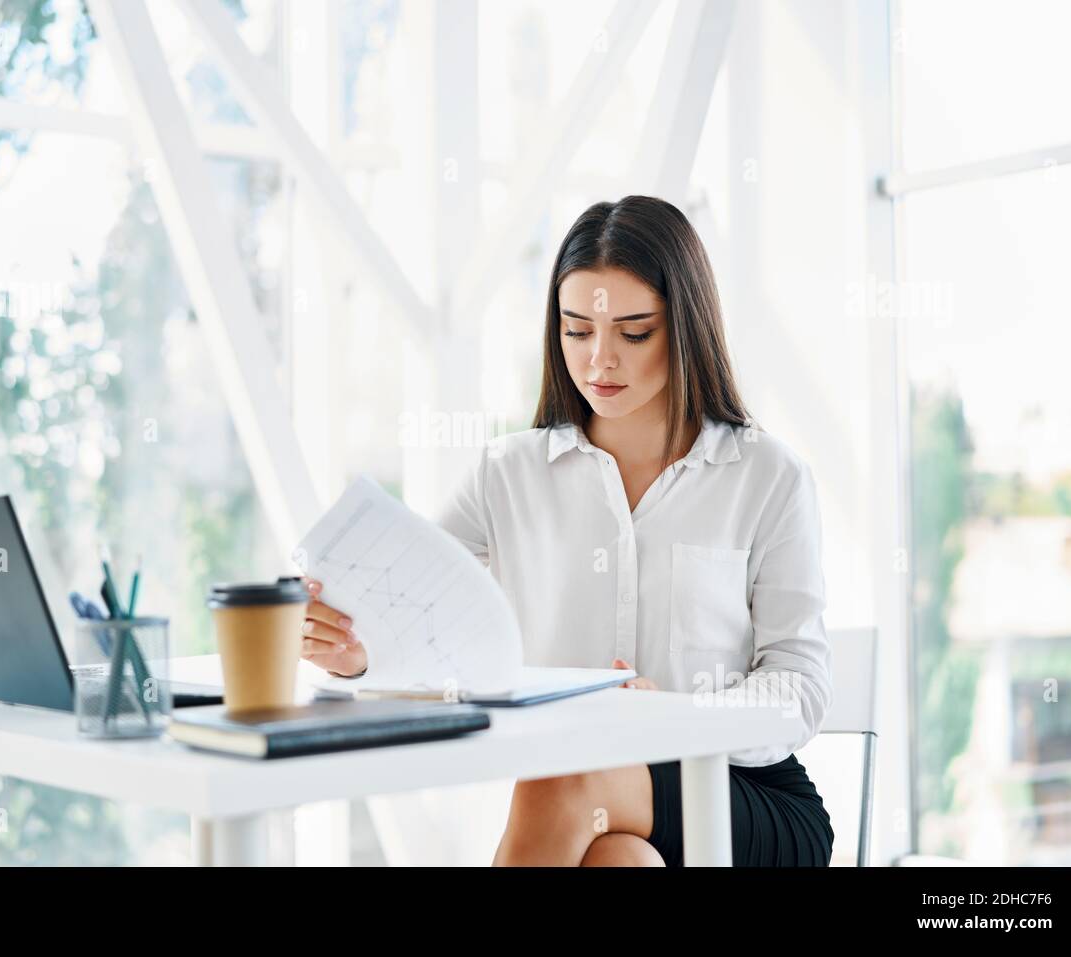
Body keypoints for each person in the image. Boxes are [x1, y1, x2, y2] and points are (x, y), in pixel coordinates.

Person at [298, 195, 835, 867]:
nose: (599, 360)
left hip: (742, 795)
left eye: (633, 332)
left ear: (687, 326)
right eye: (577, 329)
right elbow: (420, 612)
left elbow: (799, 687)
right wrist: (360, 649)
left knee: (564, 778)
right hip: (602, 804)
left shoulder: (768, 476)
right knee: (619, 860)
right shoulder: (509, 473)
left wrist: (675, 716)